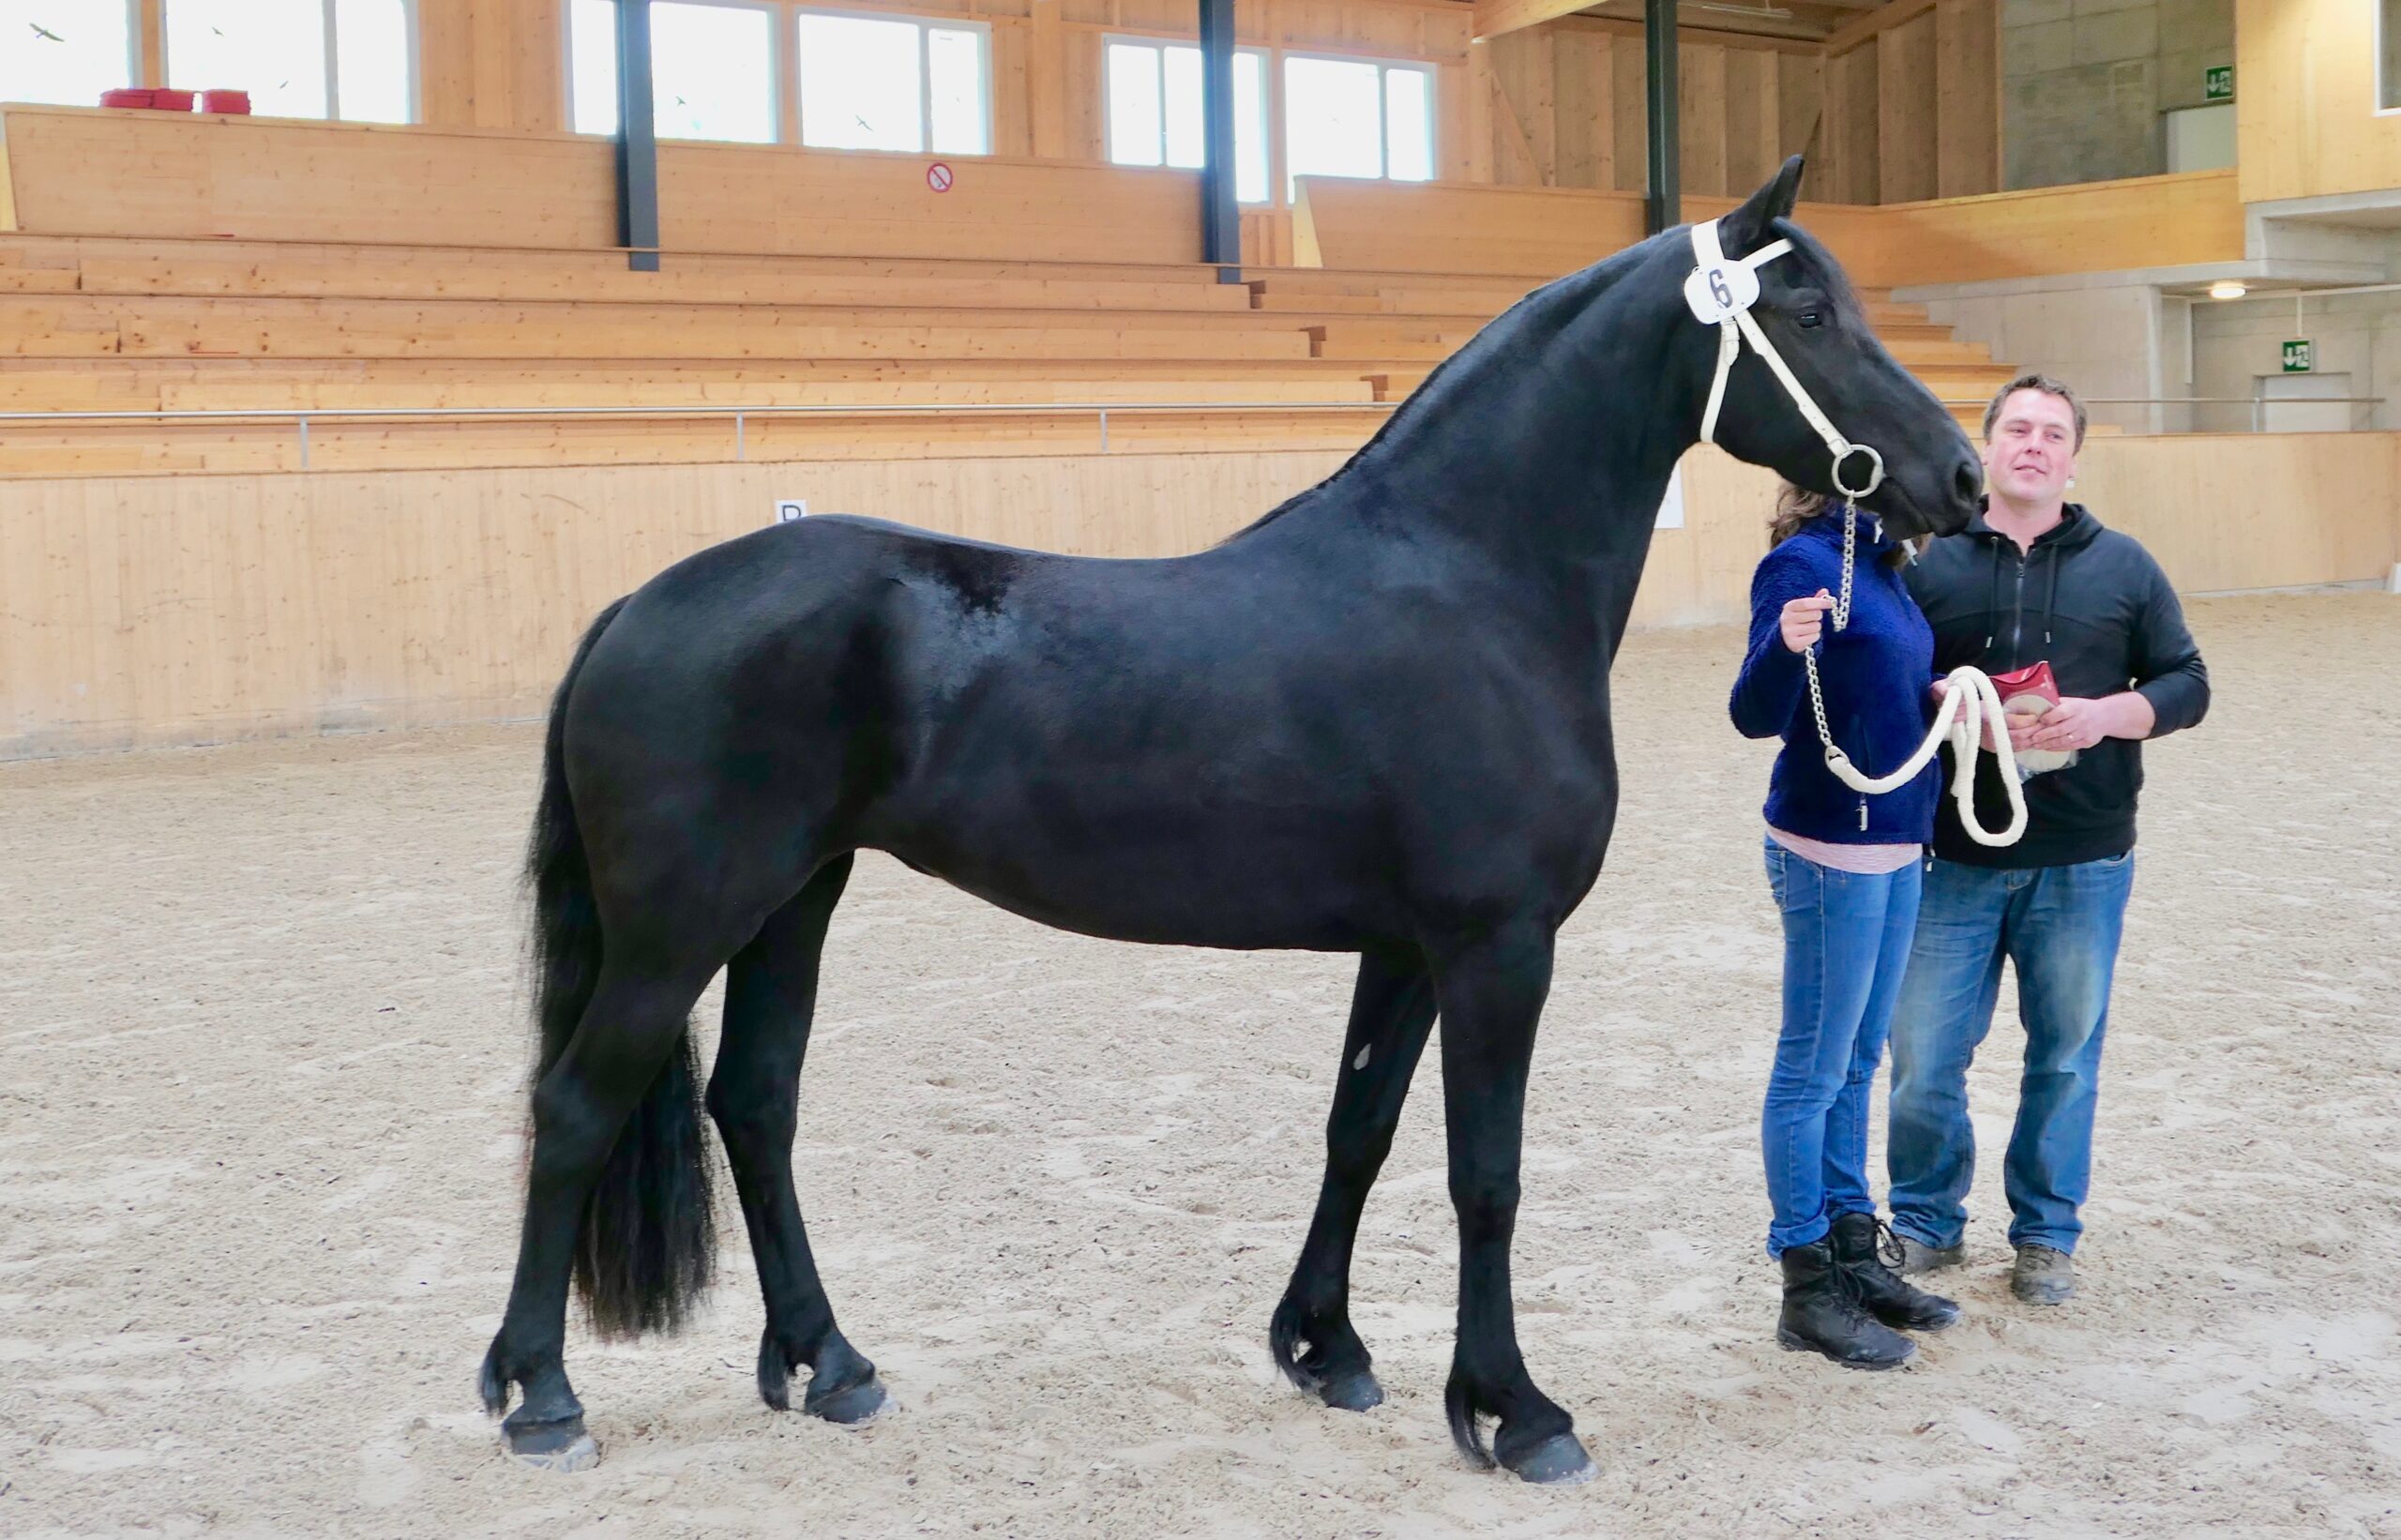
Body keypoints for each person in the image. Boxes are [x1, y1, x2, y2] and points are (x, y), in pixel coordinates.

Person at [1887, 374, 2211, 1305]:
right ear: (1986, 447)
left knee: (2064, 1057)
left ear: (2073, 456)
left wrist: (2108, 713)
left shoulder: (2127, 566)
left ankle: (2044, 1237)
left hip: (2083, 859)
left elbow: (2188, 681)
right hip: (1950, 855)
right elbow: (1884, 682)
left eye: (2051, 433)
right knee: (1921, 1060)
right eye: (2016, 429)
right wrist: (1938, 698)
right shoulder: (1926, 563)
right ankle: (1924, 1222)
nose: (2032, 444)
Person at [1729, 486, 1962, 1369]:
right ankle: (1806, 1282)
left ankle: (1855, 1254)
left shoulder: (1889, 566)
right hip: (1832, 849)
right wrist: (1786, 648)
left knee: (1860, 1060)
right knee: (1813, 1069)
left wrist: (1931, 695)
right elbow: (1753, 713)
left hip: (1898, 840)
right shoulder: (1804, 565)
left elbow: (1873, 687)